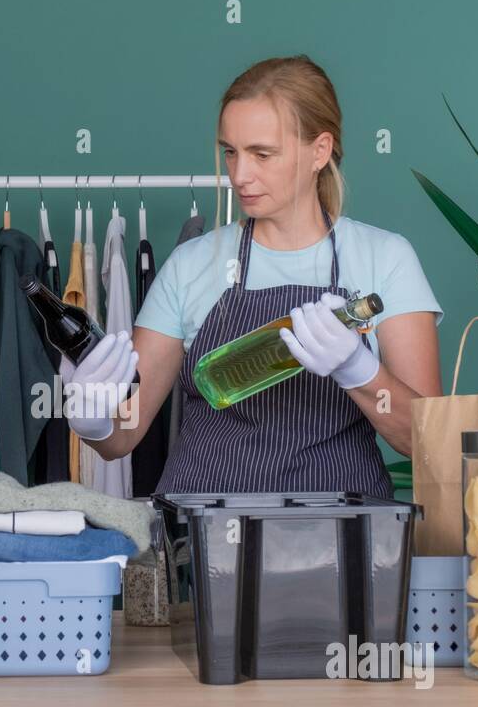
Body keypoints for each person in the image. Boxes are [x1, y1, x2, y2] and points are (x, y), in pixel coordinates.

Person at [62, 54, 443, 495]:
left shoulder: (385, 259)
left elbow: (424, 441)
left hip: (343, 534)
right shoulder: (192, 264)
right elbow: (124, 434)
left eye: (263, 154)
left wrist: (359, 370)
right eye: (230, 152)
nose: (240, 175)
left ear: (319, 151)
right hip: (203, 536)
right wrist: (93, 420)